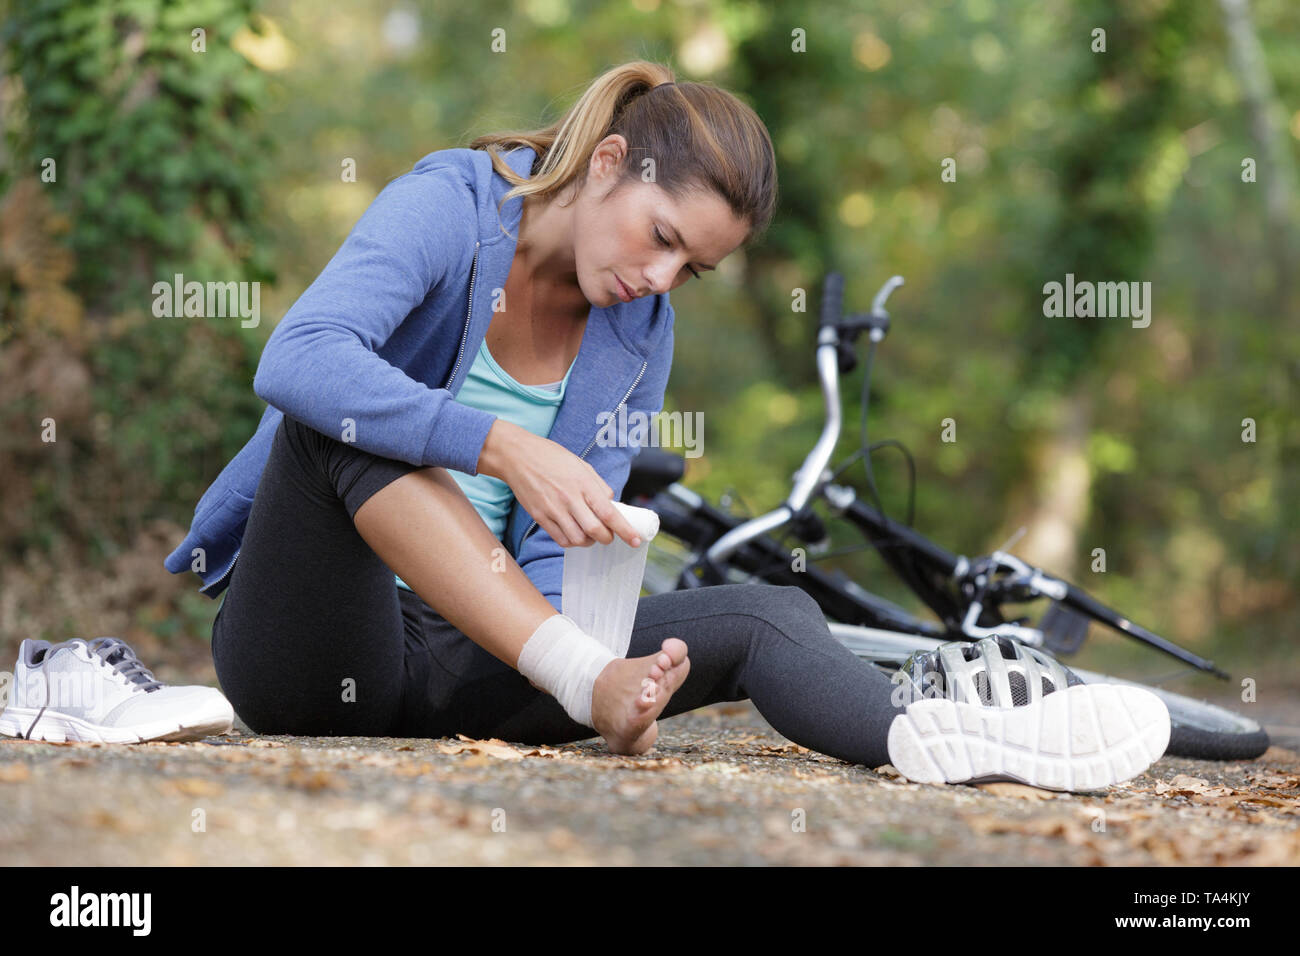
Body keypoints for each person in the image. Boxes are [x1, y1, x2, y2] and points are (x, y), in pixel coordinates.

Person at [152, 60, 1169, 791]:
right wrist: (500, 443)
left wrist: (610, 679)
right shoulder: (451, 207)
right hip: (318, 649)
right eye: (662, 239)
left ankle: (945, 741)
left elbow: (557, 552)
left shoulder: (639, 329)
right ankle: (577, 672)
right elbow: (296, 358)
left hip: (483, 652)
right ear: (606, 165)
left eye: (693, 268)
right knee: (344, 414)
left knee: (763, 611)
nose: (660, 278)